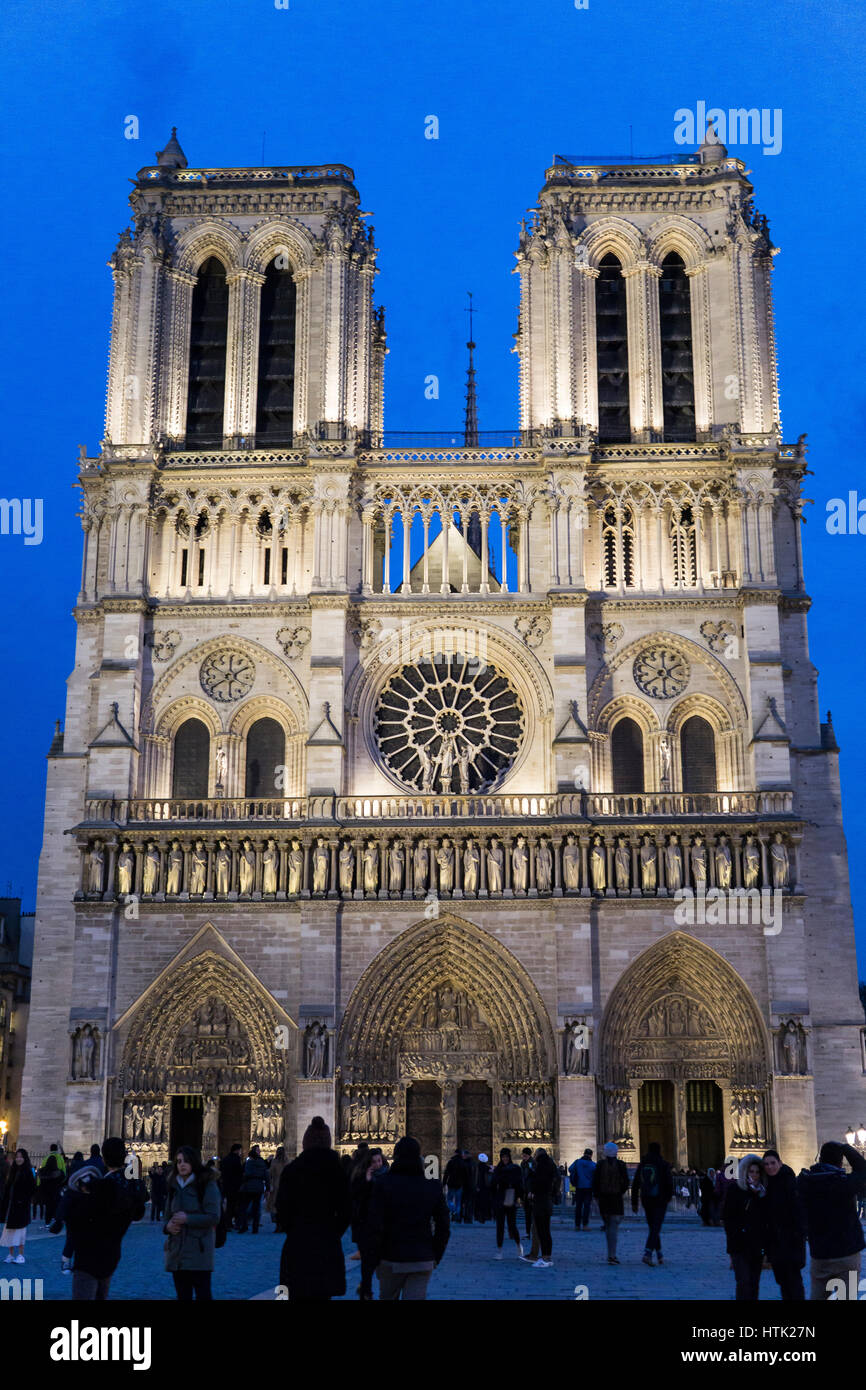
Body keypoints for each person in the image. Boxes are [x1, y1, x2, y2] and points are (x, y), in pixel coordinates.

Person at [276, 1116, 351, 1301]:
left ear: (305, 1142)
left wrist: (294, 1230)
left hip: (297, 1246)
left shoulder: (292, 1170)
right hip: (327, 1245)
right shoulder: (338, 1172)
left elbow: (282, 1211)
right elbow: (347, 1211)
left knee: (295, 1292)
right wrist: (332, 1232)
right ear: (328, 1142)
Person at [367, 1135, 450, 1300]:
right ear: (419, 1157)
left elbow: (373, 1225)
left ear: (395, 1156)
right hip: (422, 1258)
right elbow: (444, 1226)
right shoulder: (432, 1185)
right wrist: (435, 1255)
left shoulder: (383, 1184)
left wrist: (374, 1258)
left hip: (390, 1257)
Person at [64, 1136, 143, 1299]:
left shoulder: (103, 1187)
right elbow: (138, 1208)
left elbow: (77, 1219)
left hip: (89, 1256)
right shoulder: (128, 1187)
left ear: (104, 1158)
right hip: (112, 1253)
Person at [798, 1139, 866, 1300]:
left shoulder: (806, 1182)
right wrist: (846, 1148)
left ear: (820, 1159)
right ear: (840, 1163)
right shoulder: (844, 1183)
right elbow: (863, 1169)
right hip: (846, 1253)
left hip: (820, 1253)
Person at [163, 1145, 221, 1301]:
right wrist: (167, 1227)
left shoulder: (206, 1184)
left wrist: (187, 1219)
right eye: (179, 1161)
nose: (182, 1164)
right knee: (182, 1296)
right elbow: (167, 1215)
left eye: (186, 1161)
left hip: (199, 1251)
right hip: (178, 1252)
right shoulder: (173, 1186)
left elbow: (214, 1216)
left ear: (194, 1162)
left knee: (203, 1295)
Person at [723, 1154, 769, 1300]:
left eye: (757, 1172)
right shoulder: (735, 1190)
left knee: (754, 1283)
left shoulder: (763, 1193)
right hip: (739, 1244)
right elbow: (727, 1217)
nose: (754, 1175)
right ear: (744, 1171)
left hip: (757, 1244)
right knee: (743, 1281)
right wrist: (734, 1236)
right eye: (751, 1171)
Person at [762, 1148, 805, 1301]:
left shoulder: (790, 1183)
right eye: (766, 1164)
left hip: (791, 1243)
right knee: (783, 1282)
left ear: (780, 1163)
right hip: (775, 1244)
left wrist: (797, 1237)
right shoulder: (766, 1185)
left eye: (773, 1163)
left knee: (793, 1282)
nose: (770, 1167)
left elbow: (798, 1214)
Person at [631, 1140, 674, 1266]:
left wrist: (634, 1202)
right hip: (660, 1199)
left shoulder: (643, 1164)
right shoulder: (663, 1164)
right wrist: (668, 1197)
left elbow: (635, 1184)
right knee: (656, 1227)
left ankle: (659, 1254)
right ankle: (648, 1253)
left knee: (653, 1227)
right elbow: (669, 1182)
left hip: (646, 1198)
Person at [351, 1148, 386, 1299]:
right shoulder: (360, 1177)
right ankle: (366, 1290)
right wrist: (367, 1180)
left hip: (381, 1227)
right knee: (367, 1261)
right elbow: (356, 1198)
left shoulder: (387, 1176)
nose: (377, 1164)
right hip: (364, 1226)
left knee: (377, 1261)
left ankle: (366, 1286)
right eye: (374, 1162)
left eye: (379, 1161)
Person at [592, 1141, 629, 1265]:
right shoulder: (621, 1165)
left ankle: (610, 1254)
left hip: (603, 1199)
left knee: (609, 1225)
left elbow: (595, 1182)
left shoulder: (600, 1165)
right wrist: (620, 1192)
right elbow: (626, 1182)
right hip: (616, 1199)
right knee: (613, 1226)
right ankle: (612, 1255)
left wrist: (596, 1197)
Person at [523, 1147, 558, 1268]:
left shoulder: (540, 1167)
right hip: (547, 1201)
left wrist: (532, 1191)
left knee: (542, 1230)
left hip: (540, 1201)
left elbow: (538, 1182)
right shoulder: (551, 1165)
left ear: (537, 1155)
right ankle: (547, 1256)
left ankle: (545, 1258)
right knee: (546, 1231)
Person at [0, 1147, 36, 1264]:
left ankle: (20, 1255)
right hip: (11, 1206)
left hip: (20, 1206)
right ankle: (10, 1254)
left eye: (21, 1157)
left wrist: (23, 1200)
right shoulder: (13, 1171)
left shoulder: (28, 1171)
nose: (18, 1159)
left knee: (20, 1232)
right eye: (17, 1157)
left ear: (25, 1158)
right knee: (9, 1231)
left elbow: (32, 1189)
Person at [491, 1148, 523, 1258]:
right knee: (499, 1226)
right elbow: (493, 1184)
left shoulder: (515, 1169)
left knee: (512, 1225)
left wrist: (519, 1198)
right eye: (503, 1156)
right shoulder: (498, 1169)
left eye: (506, 1156)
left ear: (509, 1157)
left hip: (511, 1199)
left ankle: (519, 1245)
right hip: (500, 1200)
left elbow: (519, 1184)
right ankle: (499, 1251)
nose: (504, 1158)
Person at [236, 1144, 268, 1234]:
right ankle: (255, 1228)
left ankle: (244, 1225)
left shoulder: (248, 1163)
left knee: (244, 1207)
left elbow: (246, 1174)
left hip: (248, 1187)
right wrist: (268, 1188)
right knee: (256, 1208)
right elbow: (266, 1175)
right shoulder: (262, 1163)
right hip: (259, 1187)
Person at [569, 1148, 596, 1231]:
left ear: (583, 1153)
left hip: (579, 1187)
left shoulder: (577, 1162)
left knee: (578, 1207)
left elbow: (570, 1169)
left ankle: (577, 1225)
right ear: (591, 1155)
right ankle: (585, 1225)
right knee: (587, 1207)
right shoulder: (593, 1164)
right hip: (588, 1188)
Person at [267, 1146, 289, 1232]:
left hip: (276, 1185)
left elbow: (270, 1173)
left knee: (275, 1206)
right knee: (284, 1206)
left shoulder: (274, 1162)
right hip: (286, 1186)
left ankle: (278, 1225)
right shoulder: (288, 1162)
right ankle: (283, 1225)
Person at [442, 1148, 466, 1221]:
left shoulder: (451, 1162)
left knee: (449, 1200)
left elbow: (446, 1173)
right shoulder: (463, 1163)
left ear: (455, 1153)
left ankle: (453, 1211)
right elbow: (465, 1175)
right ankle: (457, 1215)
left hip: (451, 1183)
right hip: (460, 1184)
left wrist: (444, 1183)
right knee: (458, 1201)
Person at [519, 1148, 535, 1239]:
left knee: (531, 1214)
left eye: (525, 1155)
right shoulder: (523, 1163)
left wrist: (531, 1191)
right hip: (525, 1191)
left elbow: (533, 1178)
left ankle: (533, 1233)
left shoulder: (533, 1163)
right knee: (527, 1214)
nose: (524, 1157)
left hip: (530, 1192)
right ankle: (528, 1233)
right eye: (523, 1155)